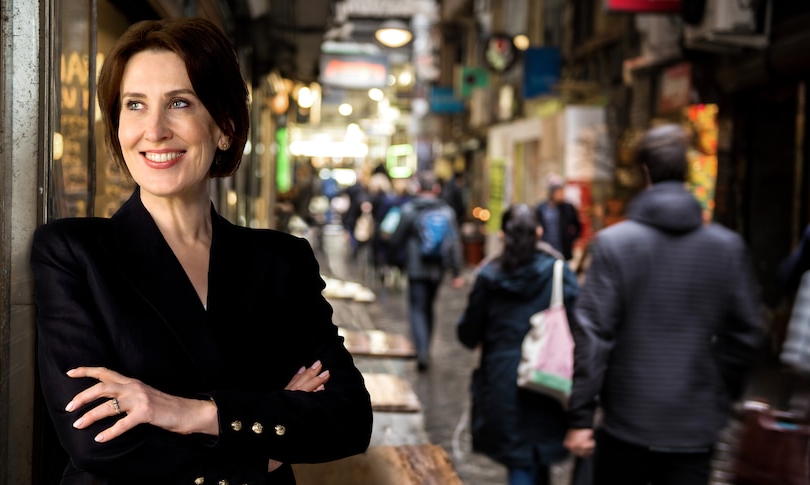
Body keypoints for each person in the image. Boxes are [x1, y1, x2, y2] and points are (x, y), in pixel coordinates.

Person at [31, 18, 373, 484]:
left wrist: (186, 412)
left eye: (179, 103)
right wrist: (261, 450)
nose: (154, 130)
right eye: (134, 105)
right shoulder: (74, 253)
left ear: (225, 127)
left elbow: (348, 418)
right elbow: (96, 439)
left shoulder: (282, 261)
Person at [563, 124, 763, 485]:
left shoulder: (614, 244)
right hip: (694, 423)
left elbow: (593, 336)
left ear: (645, 172)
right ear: (686, 173)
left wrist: (581, 417)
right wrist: (717, 391)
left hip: (628, 419)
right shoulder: (726, 247)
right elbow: (747, 333)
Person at [457, 204, 579, 485]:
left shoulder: (488, 276)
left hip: (503, 378)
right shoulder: (558, 272)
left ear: (502, 236)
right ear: (539, 232)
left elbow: (467, 334)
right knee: (539, 456)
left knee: (519, 461)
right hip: (549, 375)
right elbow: (578, 326)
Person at [388, 172, 464, 371]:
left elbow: (396, 238)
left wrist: (390, 260)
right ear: (436, 189)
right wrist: (456, 272)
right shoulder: (447, 212)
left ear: (418, 187)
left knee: (417, 308)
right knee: (429, 307)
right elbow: (455, 242)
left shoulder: (409, 209)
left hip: (416, 267)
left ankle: (421, 351)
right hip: (437, 268)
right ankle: (425, 347)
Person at [535, 177, 581, 261]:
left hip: (563, 249)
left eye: (562, 191)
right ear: (552, 193)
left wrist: (571, 238)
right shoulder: (541, 208)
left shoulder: (568, 207)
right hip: (545, 249)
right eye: (559, 191)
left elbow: (577, 226)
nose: (562, 194)